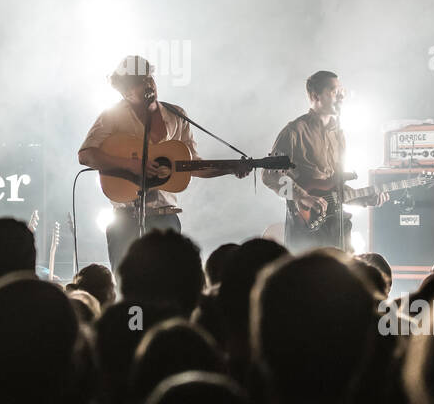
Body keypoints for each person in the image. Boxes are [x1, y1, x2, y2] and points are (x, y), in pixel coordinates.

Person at [78, 55, 247, 267]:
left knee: (169, 283)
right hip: (125, 219)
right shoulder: (112, 116)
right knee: (125, 285)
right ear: (127, 92)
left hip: (165, 218)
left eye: (150, 78)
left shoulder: (176, 115)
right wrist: (131, 165)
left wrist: (230, 168)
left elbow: (193, 164)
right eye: (141, 82)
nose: (149, 85)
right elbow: (86, 155)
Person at [262, 71, 385, 252]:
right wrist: (302, 195)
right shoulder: (295, 131)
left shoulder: (339, 134)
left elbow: (334, 189)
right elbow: (269, 176)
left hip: (336, 227)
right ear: (315, 96)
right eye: (335, 92)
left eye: (342, 91)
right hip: (306, 228)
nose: (342, 96)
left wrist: (363, 198)